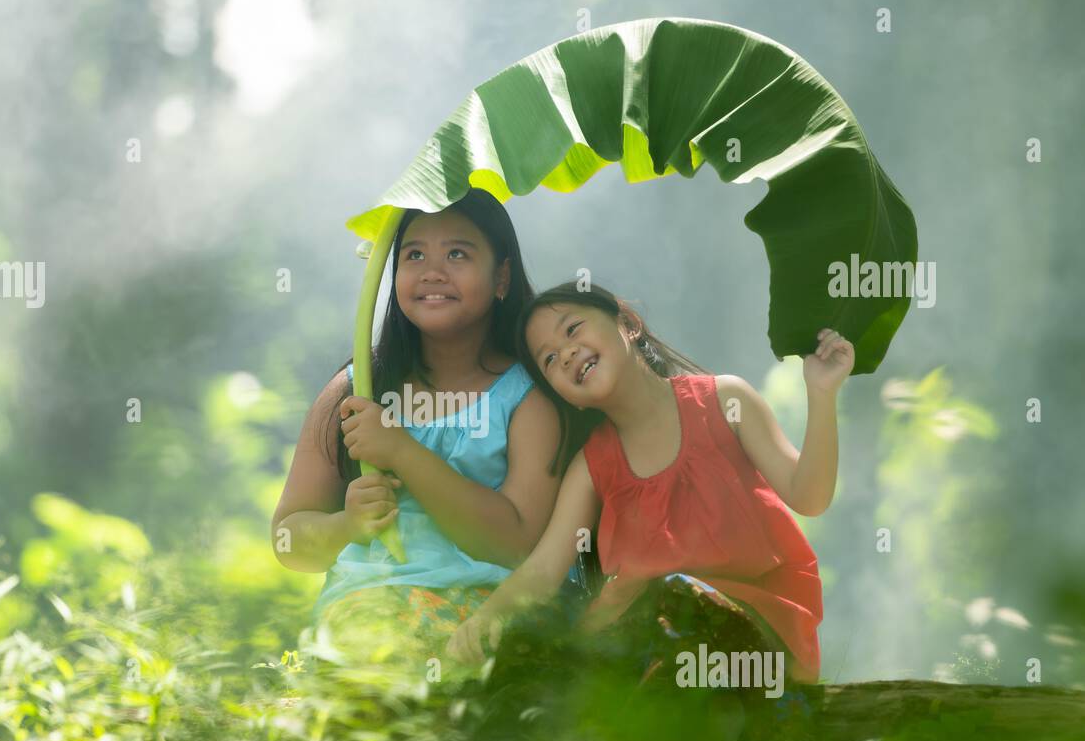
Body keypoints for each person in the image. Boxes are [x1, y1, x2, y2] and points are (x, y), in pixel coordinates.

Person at [448, 280, 852, 689]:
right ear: (568, 398)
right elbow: (543, 568)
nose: (567, 353)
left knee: (677, 601)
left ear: (628, 324)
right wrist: (485, 618)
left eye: (572, 330)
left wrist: (821, 393)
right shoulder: (591, 468)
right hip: (647, 645)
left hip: (751, 640)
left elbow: (809, 496)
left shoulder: (725, 401)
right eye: (550, 359)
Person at [272, 190, 573, 665]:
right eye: (414, 255)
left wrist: (402, 451)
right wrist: (345, 526)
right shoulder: (356, 389)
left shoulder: (529, 396)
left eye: (457, 253)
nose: (433, 271)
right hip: (369, 606)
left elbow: (517, 544)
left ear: (501, 278)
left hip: (489, 605)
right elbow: (289, 542)